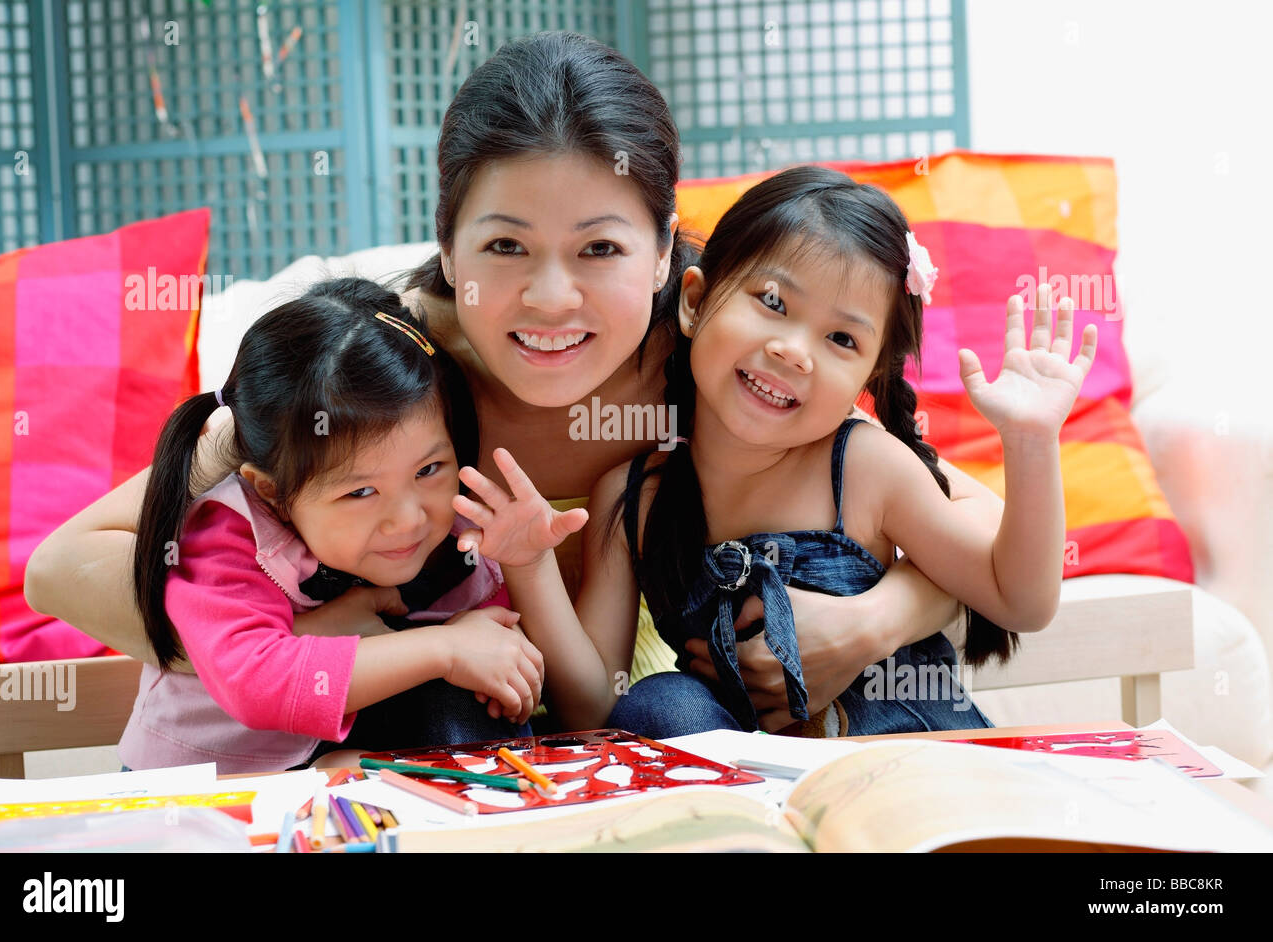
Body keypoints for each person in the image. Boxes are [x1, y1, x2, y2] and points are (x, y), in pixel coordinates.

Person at [26, 32, 1006, 741]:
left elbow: (966, 515)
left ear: (667, 255)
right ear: (447, 246)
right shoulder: (377, 368)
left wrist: (874, 621)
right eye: (505, 245)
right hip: (433, 702)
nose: (550, 298)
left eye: (599, 248)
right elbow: (63, 568)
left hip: (592, 690)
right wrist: (298, 646)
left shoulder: (709, 358)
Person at [452, 166, 1096, 737]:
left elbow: (1021, 602)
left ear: (866, 382)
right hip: (745, 787)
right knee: (658, 706)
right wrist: (532, 567)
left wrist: (1032, 442)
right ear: (697, 301)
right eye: (772, 302)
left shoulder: (865, 468)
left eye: (841, 339)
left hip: (892, 760)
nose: (794, 349)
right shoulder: (634, 495)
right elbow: (593, 711)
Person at [118, 277, 543, 773]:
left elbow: (494, 657)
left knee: (460, 706)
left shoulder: (458, 532)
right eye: (359, 492)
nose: (409, 518)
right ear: (272, 492)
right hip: (214, 787)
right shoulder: (226, 535)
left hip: (349, 768)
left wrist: (492, 656)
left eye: (429, 470)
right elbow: (255, 684)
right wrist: (446, 647)